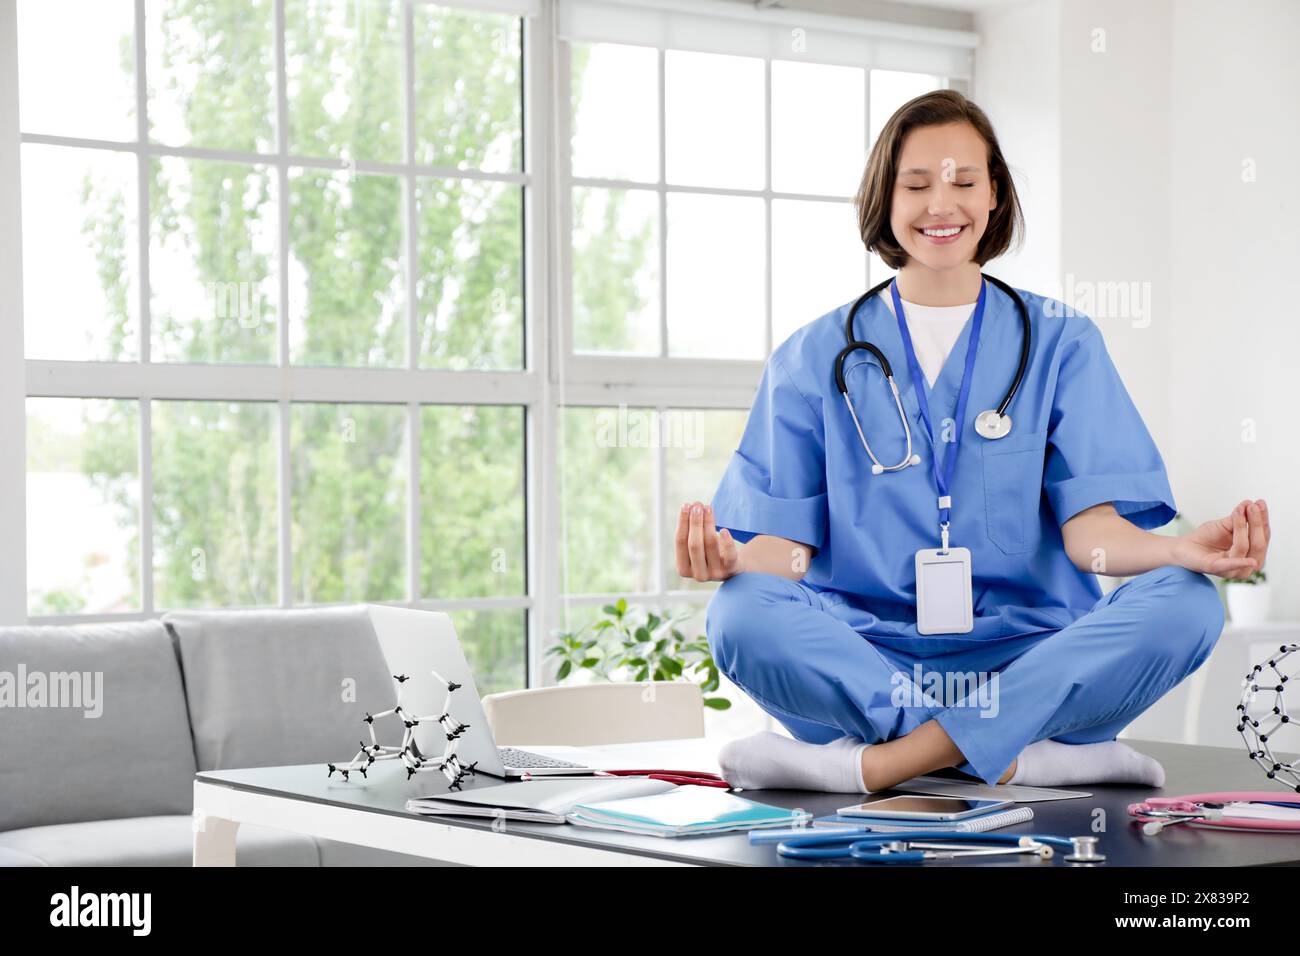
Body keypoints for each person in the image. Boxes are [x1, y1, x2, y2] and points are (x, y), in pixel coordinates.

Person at [676, 90, 1271, 795]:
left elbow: (1092, 539)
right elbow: (788, 553)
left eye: (964, 182)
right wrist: (733, 557)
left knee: (1188, 602)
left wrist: (1179, 549)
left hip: (1031, 658)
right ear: (883, 199)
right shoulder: (813, 356)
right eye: (917, 183)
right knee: (742, 613)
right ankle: (1030, 759)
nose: (942, 205)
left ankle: (883, 763)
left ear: (995, 197)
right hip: (874, 662)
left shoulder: (1061, 342)